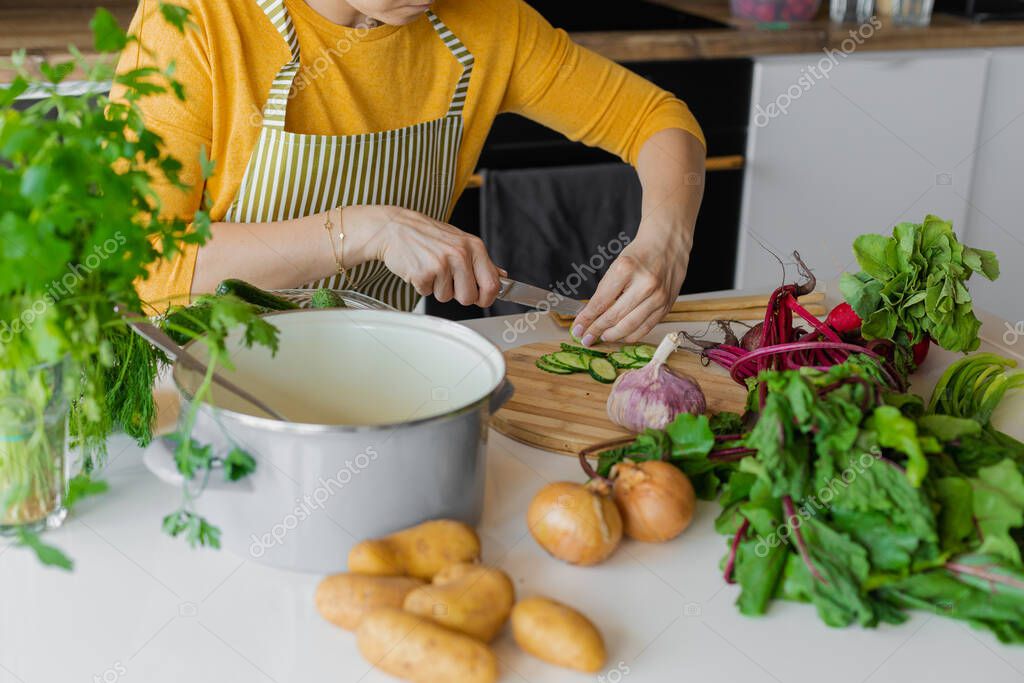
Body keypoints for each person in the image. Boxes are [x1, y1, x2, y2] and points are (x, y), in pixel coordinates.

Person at [117, 0, 705, 344]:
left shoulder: (489, 24)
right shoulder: (194, 21)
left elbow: (656, 118)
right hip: (201, 385)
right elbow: (144, 264)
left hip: (375, 378)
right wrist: (364, 229)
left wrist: (667, 237)